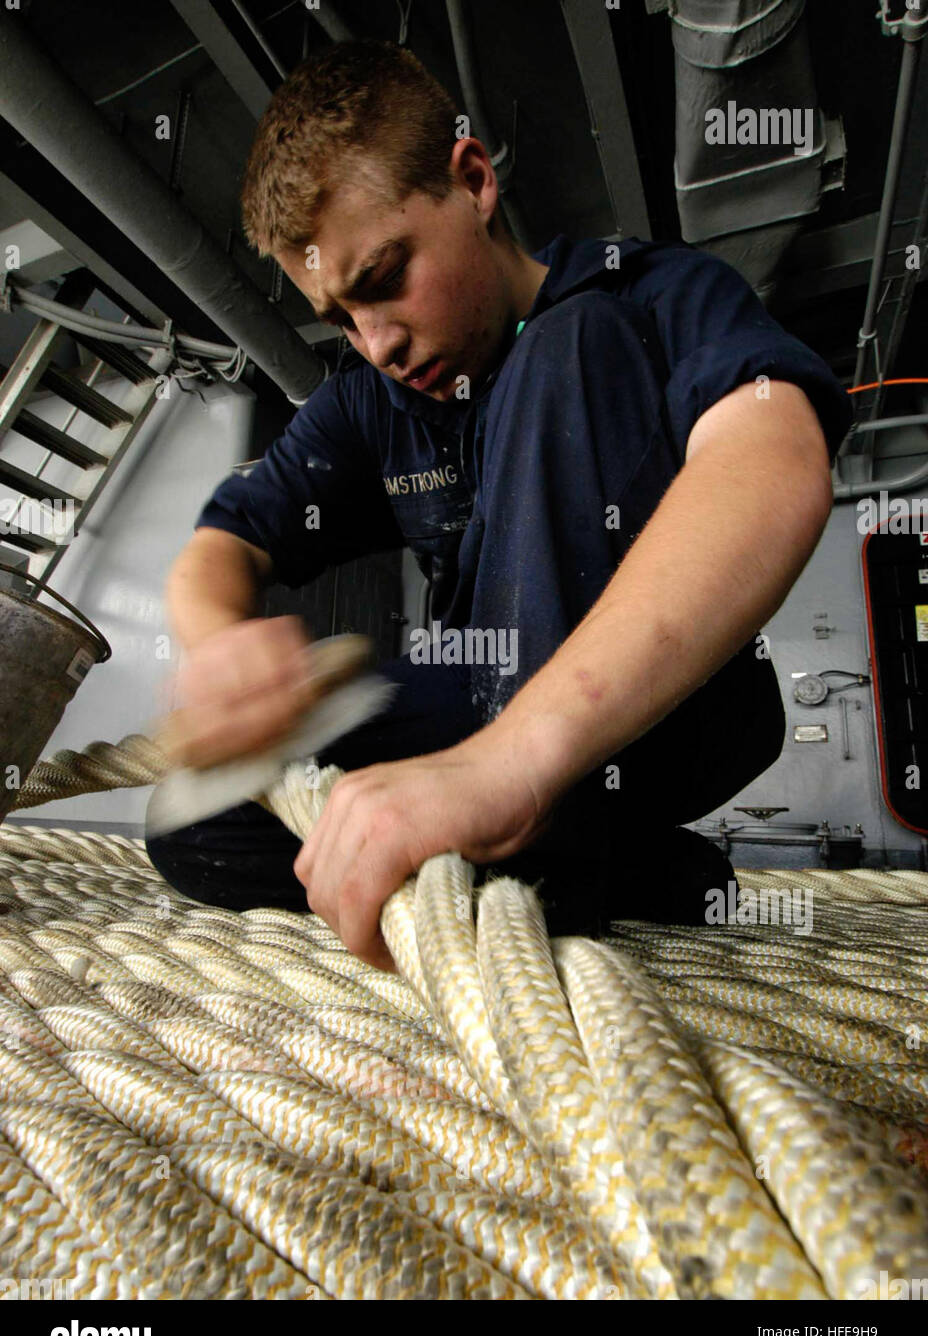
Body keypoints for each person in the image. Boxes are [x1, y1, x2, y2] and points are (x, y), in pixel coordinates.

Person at [146, 39, 852, 972]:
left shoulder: (650, 293)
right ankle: (631, 862)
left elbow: (776, 460)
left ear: (473, 180)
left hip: (676, 718)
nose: (378, 344)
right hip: (487, 694)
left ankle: (548, 857)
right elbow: (223, 542)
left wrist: (510, 763)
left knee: (569, 344)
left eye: (385, 280)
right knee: (195, 817)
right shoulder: (372, 401)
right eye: (341, 320)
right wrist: (219, 645)